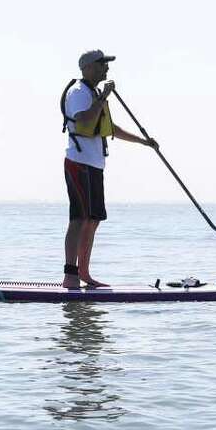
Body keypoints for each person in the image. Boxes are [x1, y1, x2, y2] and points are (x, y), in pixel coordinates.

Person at [61, 49, 157, 290]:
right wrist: (104, 97)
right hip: (78, 163)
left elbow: (109, 127)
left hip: (95, 165)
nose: (106, 68)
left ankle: (84, 272)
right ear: (88, 68)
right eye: (102, 64)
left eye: (106, 64)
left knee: (93, 220)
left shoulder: (94, 94)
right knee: (79, 218)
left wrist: (143, 141)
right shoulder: (78, 92)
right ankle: (70, 275)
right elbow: (83, 119)